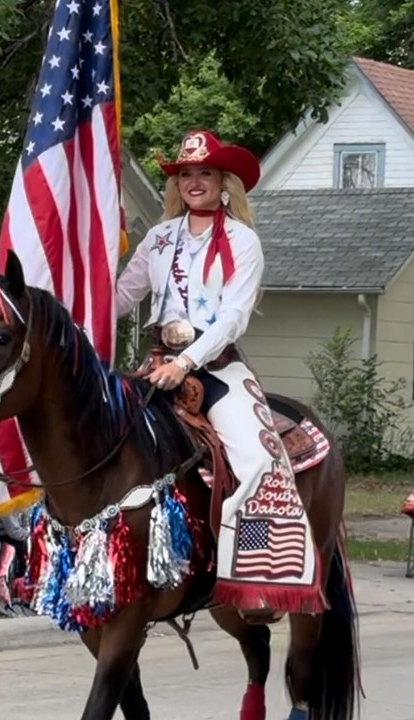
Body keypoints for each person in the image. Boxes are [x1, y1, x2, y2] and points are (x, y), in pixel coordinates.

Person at [116, 129, 317, 592]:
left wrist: (184, 363)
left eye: (204, 173)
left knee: (256, 458)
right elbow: (124, 296)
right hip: (156, 364)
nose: (194, 182)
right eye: (186, 174)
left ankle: (254, 573)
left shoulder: (243, 241)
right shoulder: (159, 238)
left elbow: (232, 318)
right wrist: (75, 300)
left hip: (217, 367)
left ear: (223, 182)